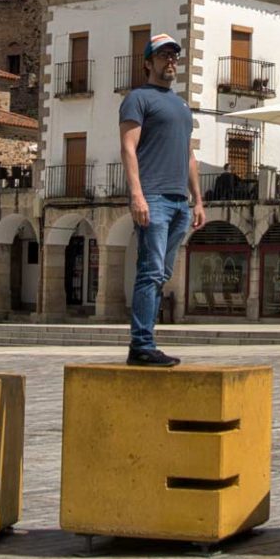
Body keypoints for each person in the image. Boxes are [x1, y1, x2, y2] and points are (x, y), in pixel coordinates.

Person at [118, 32, 204, 366]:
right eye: (163, 56)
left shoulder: (181, 106)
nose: (170, 61)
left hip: (179, 202)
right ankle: (141, 344)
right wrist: (137, 195)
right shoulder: (137, 99)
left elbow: (189, 154)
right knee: (150, 271)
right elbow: (128, 148)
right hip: (152, 197)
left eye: (174, 56)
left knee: (161, 272)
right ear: (148, 63)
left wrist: (197, 200)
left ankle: (145, 342)